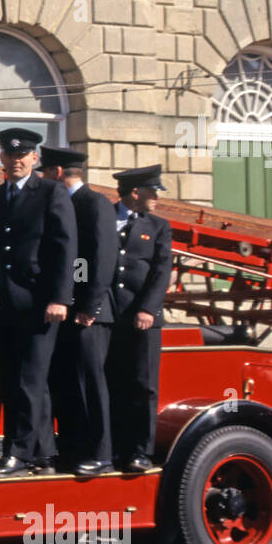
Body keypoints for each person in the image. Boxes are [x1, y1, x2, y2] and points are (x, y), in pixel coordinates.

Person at [0, 128, 76, 477]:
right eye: (9, 155)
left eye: (22, 155)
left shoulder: (51, 192)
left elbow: (65, 248)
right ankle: (42, 452)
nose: (15, 161)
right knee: (18, 376)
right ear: (1, 158)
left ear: (34, 158)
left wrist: (60, 297)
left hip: (42, 302)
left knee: (28, 379)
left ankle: (18, 453)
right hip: (10, 301)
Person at [42, 147, 118, 476]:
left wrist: (88, 305)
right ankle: (73, 448)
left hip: (90, 312)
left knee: (91, 382)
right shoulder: (64, 203)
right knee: (69, 382)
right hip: (69, 310)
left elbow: (101, 257)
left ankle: (101, 453)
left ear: (58, 172)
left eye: (45, 171)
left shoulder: (94, 203)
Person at [106, 164, 173, 473]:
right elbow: (82, 261)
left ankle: (140, 451)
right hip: (109, 314)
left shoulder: (158, 226)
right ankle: (115, 448)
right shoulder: (104, 218)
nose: (156, 198)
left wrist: (148, 308)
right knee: (113, 382)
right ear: (135, 193)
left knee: (143, 385)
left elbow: (161, 271)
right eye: (153, 192)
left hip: (143, 317)